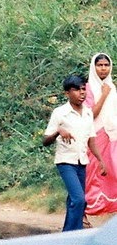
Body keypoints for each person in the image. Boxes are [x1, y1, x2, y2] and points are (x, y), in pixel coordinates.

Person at [42, 74, 109, 231]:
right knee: (79, 200)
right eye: (77, 90)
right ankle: (74, 235)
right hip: (66, 162)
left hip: (81, 162)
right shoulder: (60, 113)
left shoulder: (87, 113)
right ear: (67, 93)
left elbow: (91, 139)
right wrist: (58, 131)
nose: (82, 93)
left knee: (74, 200)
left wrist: (100, 160)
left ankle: (67, 234)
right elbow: (45, 141)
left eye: (83, 89)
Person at [85, 52, 117, 219]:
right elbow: (91, 114)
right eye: (100, 65)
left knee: (113, 171)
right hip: (95, 136)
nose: (103, 69)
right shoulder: (88, 88)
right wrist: (103, 95)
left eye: (106, 65)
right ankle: (87, 210)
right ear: (94, 67)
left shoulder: (112, 87)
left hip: (112, 136)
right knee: (94, 173)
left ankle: (108, 206)